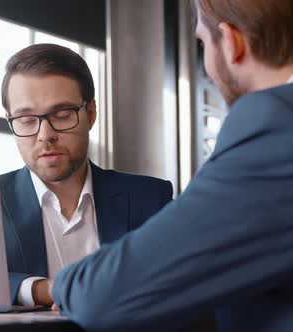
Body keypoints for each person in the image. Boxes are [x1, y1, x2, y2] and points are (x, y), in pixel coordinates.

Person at [51, 0, 293, 331]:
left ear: (232, 43)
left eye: (203, 43)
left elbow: (102, 295)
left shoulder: (274, 126)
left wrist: (58, 284)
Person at [0, 43, 173, 307]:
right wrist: (42, 290)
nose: (45, 135)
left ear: (90, 114)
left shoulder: (149, 198)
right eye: (27, 120)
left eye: (63, 115)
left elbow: (172, 284)